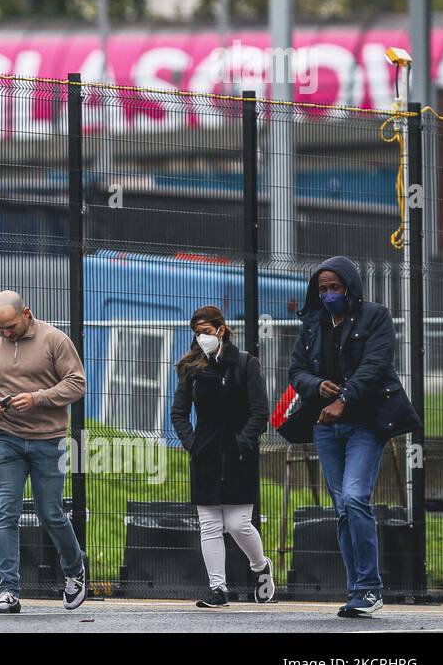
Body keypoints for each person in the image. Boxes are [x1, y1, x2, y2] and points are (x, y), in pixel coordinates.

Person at [287, 256, 420, 617]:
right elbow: (296, 369)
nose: (329, 294)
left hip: (367, 422)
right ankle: (358, 590)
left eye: (335, 287)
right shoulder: (313, 324)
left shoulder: (375, 317)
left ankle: (370, 587)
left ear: (350, 287)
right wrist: (317, 385)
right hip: (325, 425)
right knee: (343, 507)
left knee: (355, 496)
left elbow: (376, 365)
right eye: (323, 288)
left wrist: (344, 398)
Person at [0, 290, 88, 614]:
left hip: (48, 439)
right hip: (6, 438)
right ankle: (8, 590)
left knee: (50, 512)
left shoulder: (55, 340)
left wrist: (37, 398)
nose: (4, 333)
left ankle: (75, 569)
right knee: (6, 511)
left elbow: (77, 384)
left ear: (26, 314)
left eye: (9, 326)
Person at [170, 305, 276, 608]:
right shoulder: (192, 369)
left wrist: (242, 443)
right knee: (210, 525)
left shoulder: (246, 365)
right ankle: (218, 589)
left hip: (239, 457)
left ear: (221, 329)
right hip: (205, 456)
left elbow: (260, 412)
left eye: (206, 331)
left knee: (238, 524)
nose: (202, 338)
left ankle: (260, 567)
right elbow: (179, 413)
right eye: (197, 333)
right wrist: (193, 443)